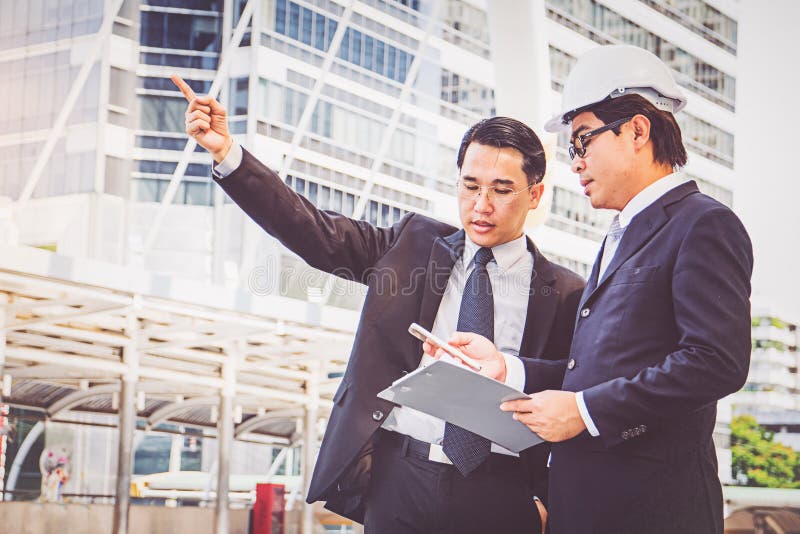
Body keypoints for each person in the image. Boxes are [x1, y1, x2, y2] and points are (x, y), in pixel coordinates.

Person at [172, 75, 584, 533]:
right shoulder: (411, 246)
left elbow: (578, 394)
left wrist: (546, 504)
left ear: (536, 194)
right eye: (470, 186)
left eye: (502, 190)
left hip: (500, 493)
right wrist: (226, 152)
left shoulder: (566, 294)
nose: (480, 205)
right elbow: (312, 229)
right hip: (400, 481)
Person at [439, 45, 754, 533]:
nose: (576, 162)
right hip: (588, 509)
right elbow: (596, 369)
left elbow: (716, 361)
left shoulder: (703, 224)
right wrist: (510, 368)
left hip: (652, 513)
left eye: (583, 140)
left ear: (637, 130)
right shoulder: (618, 236)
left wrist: (585, 413)